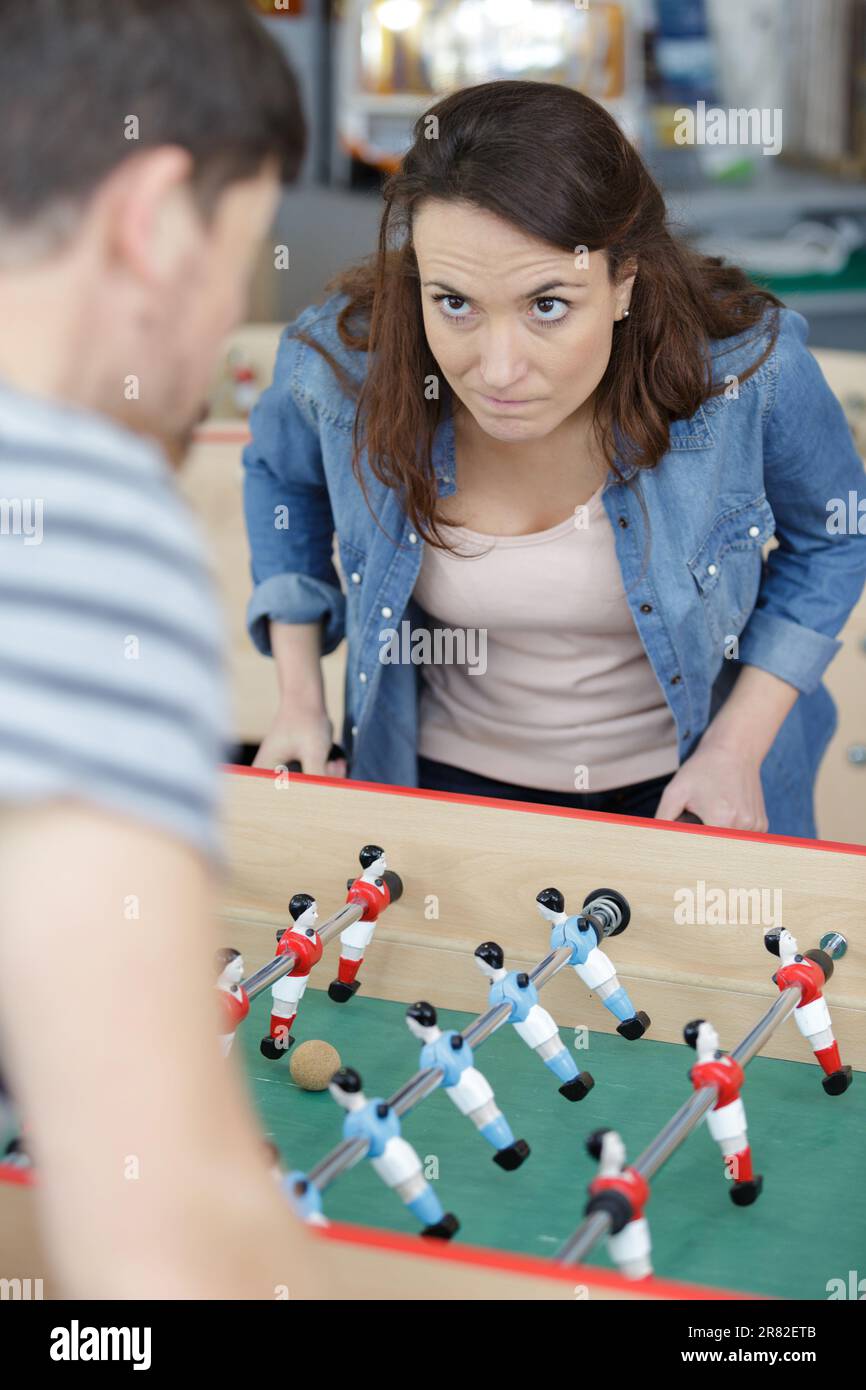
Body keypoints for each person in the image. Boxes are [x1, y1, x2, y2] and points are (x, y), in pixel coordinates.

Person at [243, 80, 866, 838]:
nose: (498, 370)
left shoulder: (747, 374)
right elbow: (283, 479)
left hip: (691, 779)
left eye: (547, 306)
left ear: (622, 283)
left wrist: (738, 747)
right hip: (440, 787)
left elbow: (835, 535)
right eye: (454, 303)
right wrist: (301, 698)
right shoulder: (342, 367)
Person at [0, 0, 335, 1298]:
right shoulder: (72, 505)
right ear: (150, 220)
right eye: (239, 258)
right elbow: (163, 1238)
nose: (212, 348)